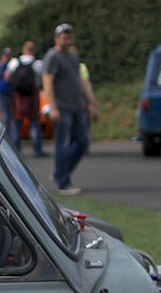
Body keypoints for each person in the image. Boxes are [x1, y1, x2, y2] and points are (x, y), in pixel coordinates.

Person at [43, 24, 97, 194]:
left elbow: (80, 80)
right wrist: (53, 107)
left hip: (77, 106)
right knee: (63, 144)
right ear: (56, 38)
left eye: (69, 36)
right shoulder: (52, 57)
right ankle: (63, 182)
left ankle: (60, 172)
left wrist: (91, 102)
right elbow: (47, 82)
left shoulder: (73, 56)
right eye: (64, 36)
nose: (67, 39)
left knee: (83, 142)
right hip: (62, 106)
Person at [8, 41, 46, 156]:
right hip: (32, 95)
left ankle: (15, 150)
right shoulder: (38, 63)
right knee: (34, 121)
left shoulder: (14, 62)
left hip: (18, 95)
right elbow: (42, 76)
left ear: (23, 49)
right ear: (34, 50)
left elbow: (7, 76)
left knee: (17, 121)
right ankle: (37, 149)